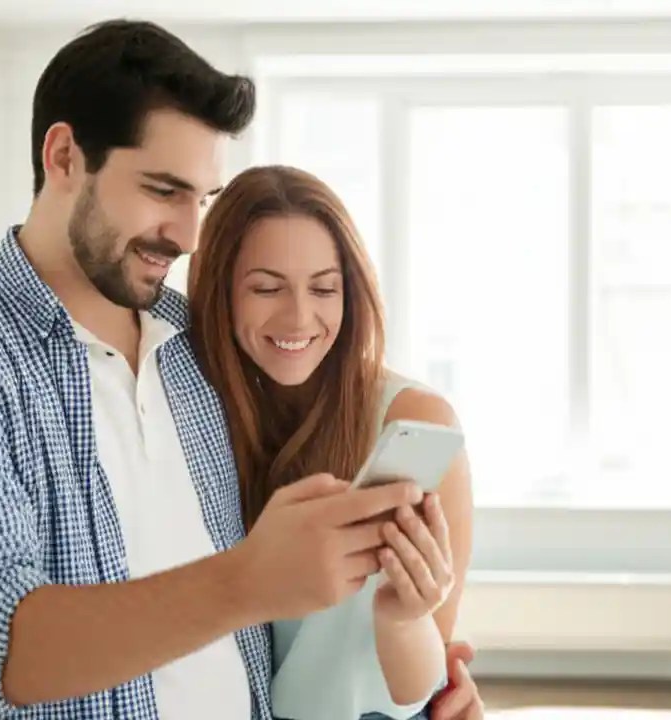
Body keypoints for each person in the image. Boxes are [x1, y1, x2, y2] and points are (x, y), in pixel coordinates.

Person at [0, 19, 484, 720]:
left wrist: (423, 666)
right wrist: (249, 581)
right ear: (64, 156)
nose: (189, 236)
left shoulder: (197, 342)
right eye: (163, 190)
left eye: (201, 199)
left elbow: (322, 379)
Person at [187, 166, 475, 720]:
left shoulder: (412, 418)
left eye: (323, 288)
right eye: (266, 288)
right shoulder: (195, 415)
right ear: (218, 293)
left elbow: (427, 690)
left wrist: (405, 614)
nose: (299, 316)